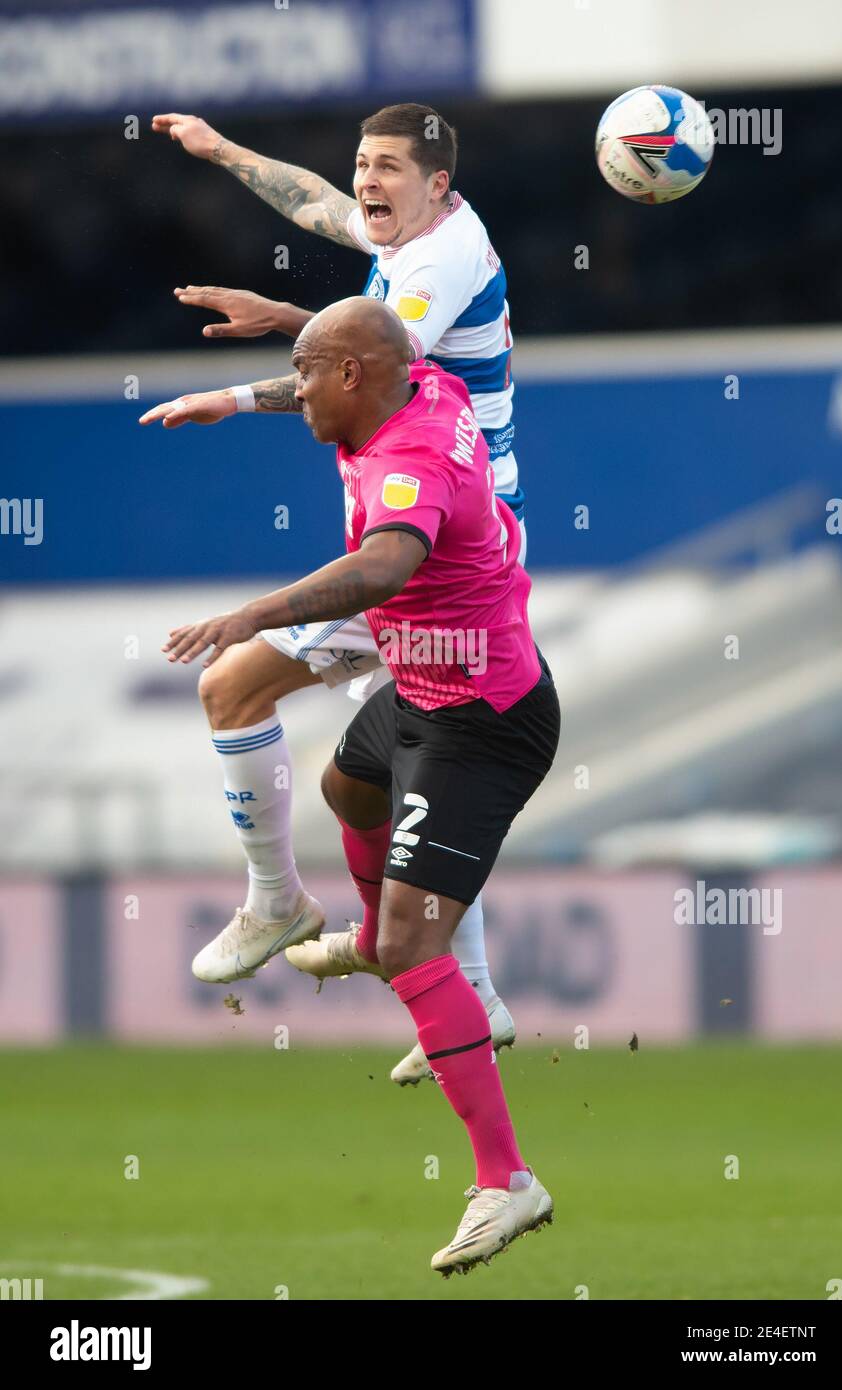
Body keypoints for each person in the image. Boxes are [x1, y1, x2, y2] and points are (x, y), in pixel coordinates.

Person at [162, 298, 560, 1274]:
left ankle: (504, 1181)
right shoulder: (421, 378)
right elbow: (373, 342)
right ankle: (392, 950)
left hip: (479, 724)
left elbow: (385, 564)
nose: (293, 391)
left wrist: (258, 611)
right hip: (425, 685)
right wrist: (240, 387)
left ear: (349, 378)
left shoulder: (407, 460)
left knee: (412, 948)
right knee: (348, 791)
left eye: (304, 375)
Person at [141, 102, 522, 1085]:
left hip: (434, 541)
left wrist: (233, 394)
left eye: (387, 168)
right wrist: (222, 148)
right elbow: (311, 206)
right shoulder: (416, 233)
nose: (365, 182)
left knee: (230, 686)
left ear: (437, 185)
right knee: (406, 767)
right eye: (362, 163)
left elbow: (359, 367)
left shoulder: (439, 264)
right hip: (452, 531)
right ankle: (469, 986)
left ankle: (278, 899)